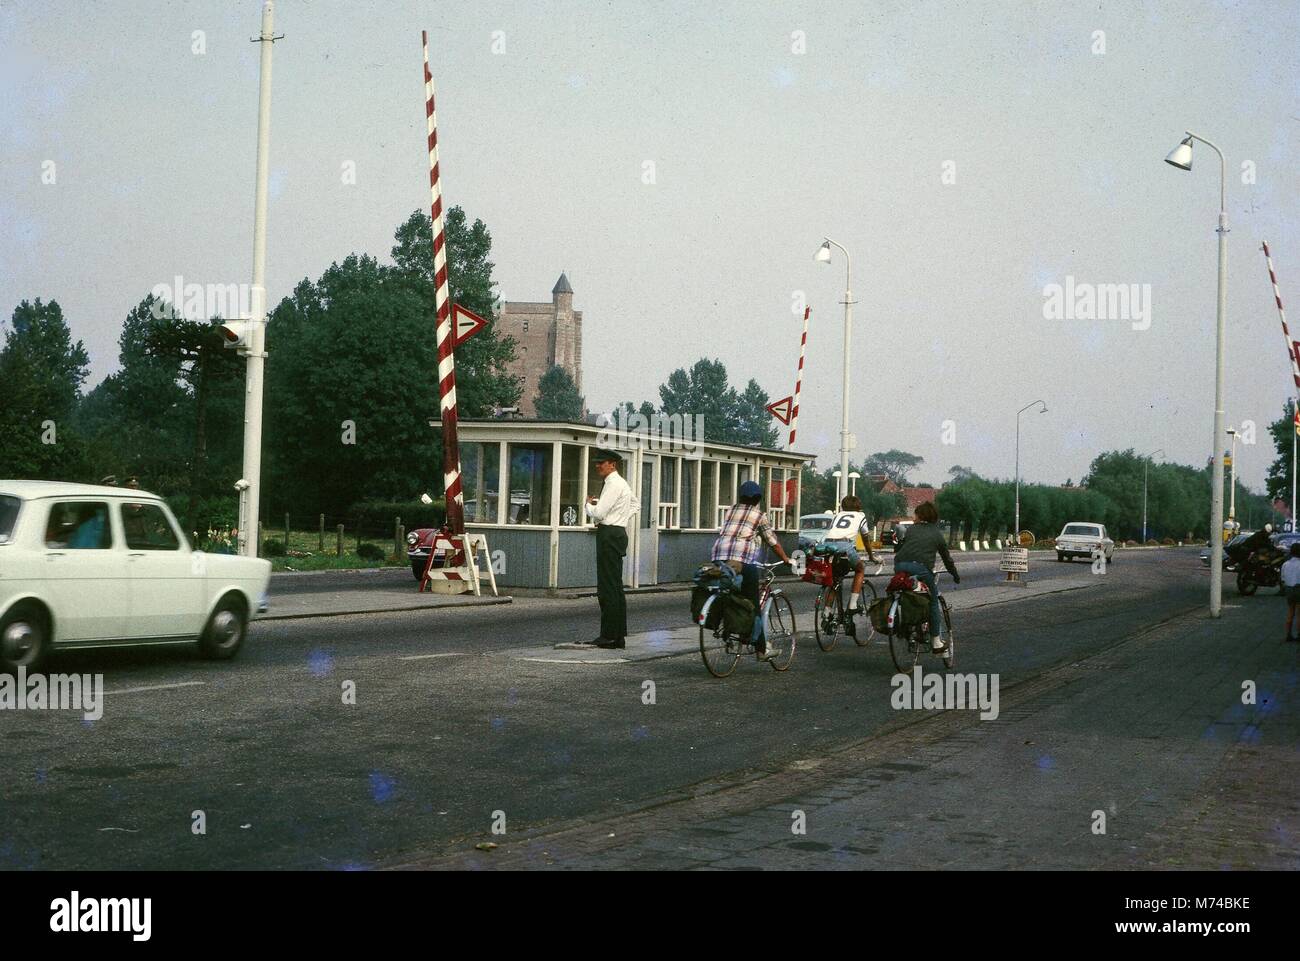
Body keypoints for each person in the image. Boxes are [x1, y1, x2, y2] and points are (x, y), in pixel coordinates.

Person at [711, 480, 793, 659]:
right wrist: (786, 559)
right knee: (753, 602)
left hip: (718, 556)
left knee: (734, 591)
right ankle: (762, 650)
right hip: (741, 560)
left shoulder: (730, 510)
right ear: (758, 499)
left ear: (740, 497)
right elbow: (772, 541)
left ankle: (735, 626)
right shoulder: (759, 515)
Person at [582, 450, 637, 649]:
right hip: (618, 533)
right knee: (615, 585)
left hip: (608, 534)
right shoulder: (622, 483)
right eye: (597, 462)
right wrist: (621, 517)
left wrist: (588, 506)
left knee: (607, 587)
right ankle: (618, 635)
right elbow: (635, 505)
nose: (598, 466)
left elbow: (599, 514)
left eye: (601, 462)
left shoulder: (613, 484)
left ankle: (608, 636)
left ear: (612, 464)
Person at [892, 500, 959, 652]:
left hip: (900, 566)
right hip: (921, 569)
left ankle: (907, 625)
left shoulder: (911, 530)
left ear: (921, 515)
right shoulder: (937, 534)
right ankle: (936, 642)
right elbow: (947, 559)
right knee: (933, 600)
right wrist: (955, 574)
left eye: (915, 513)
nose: (913, 516)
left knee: (905, 590)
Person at [819, 494, 880, 618]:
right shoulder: (860, 516)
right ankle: (852, 604)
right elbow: (865, 537)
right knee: (860, 568)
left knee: (835, 579)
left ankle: (826, 612)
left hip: (828, 545)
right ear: (858, 507)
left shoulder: (837, 516)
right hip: (845, 546)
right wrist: (871, 555)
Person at [1283, 542, 1300, 643]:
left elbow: (1283, 578)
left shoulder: (1286, 564)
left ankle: (1288, 634)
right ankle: (1299, 634)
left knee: (1290, 611)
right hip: (1299, 588)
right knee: (1299, 613)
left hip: (1289, 589)